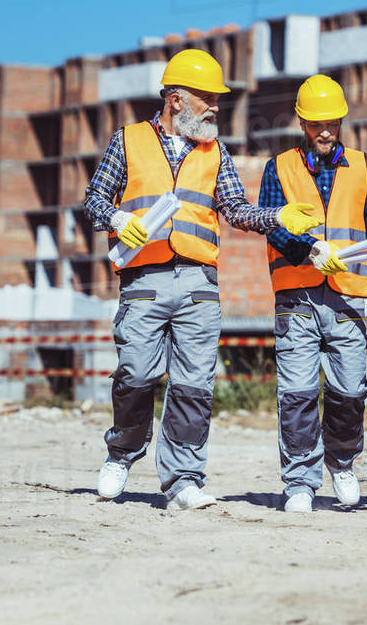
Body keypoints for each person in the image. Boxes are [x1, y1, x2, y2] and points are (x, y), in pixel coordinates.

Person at [83, 49, 322, 511]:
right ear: (175, 99)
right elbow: (94, 197)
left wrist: (280, 216)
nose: (215, 106)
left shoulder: (216, 152)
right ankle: (122, 453)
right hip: (144, 280)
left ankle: (183, 481)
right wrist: (116, 218)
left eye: (217, 98)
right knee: (136, 374)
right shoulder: (128, 140)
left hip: (199, 284)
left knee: (194, 386)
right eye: (207, 97)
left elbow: (236, 210)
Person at [259, 74, 367, 513]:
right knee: (298, 394)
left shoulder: (363, 167)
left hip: (347, 299)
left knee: (350, 391)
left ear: (341, 122)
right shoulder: (278, 167)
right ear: (302, 122)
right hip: (296, 297)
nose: (325, 131)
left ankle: (341, 463)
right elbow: (272, 225)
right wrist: (309, 250)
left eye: (332, 123)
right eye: (316, 123)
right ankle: (300, 481)